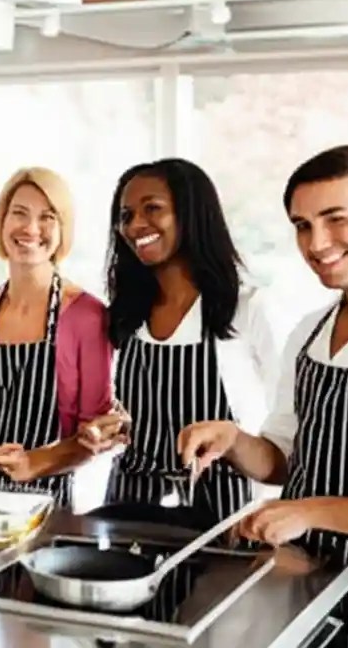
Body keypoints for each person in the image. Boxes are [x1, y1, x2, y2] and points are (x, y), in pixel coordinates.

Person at [179, 145, 348, 647]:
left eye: (336, 220)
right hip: (307, 580)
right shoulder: (311, 330)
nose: (316, 242)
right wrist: (233, 438)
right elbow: (284, 458)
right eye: (302, 225)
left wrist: (309, 511)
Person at [84, 158, 280, 524]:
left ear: (192, 215)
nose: (135, 225)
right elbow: (115, 410)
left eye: (153, 209)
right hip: (132, 503)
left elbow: (289, 423)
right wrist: (105, 428)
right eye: (126, 216)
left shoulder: (246, 308)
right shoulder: (126, 313)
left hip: (221, 509)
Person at [0, 168, 112, 508]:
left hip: (48, 502)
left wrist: (32, 463)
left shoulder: (88, 317)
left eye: (47, 217)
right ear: (2, 222)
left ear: (62, 229)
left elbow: (91, 435)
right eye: (19, 213)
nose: (31, 229)